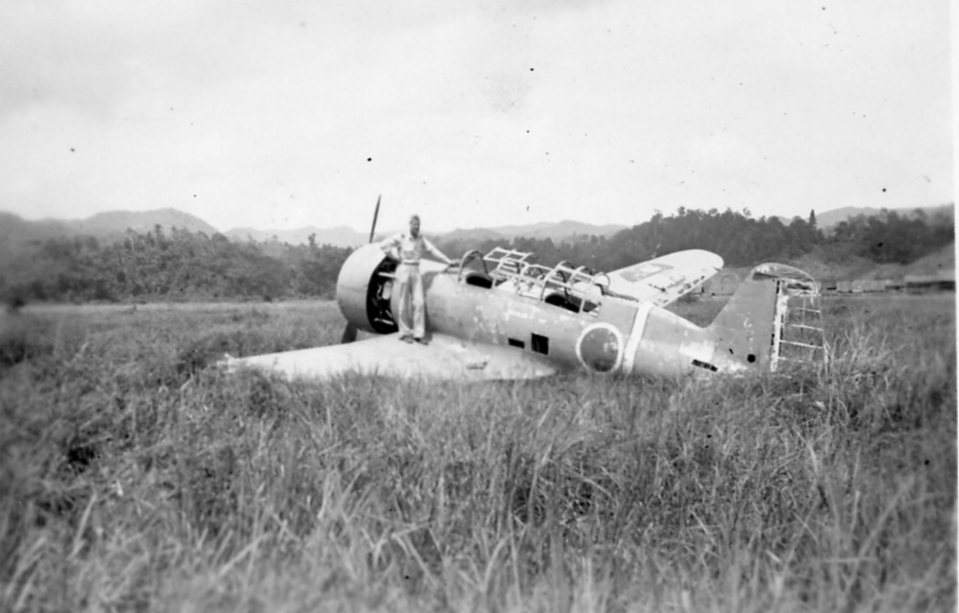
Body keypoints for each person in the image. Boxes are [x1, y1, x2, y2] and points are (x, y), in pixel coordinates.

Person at [380, 214, 455, 344]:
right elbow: (384, 246)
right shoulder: (401, 236)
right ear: (410, 225)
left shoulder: (420, 238)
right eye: (415, 225)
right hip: (404, 268)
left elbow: (432, 250)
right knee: (403, 302)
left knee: (419, 302)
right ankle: (404, 333)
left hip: (416, 269)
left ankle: (418, 334)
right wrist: (395, 258)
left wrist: (448, 261)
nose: (417, 227)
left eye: (418, 225)